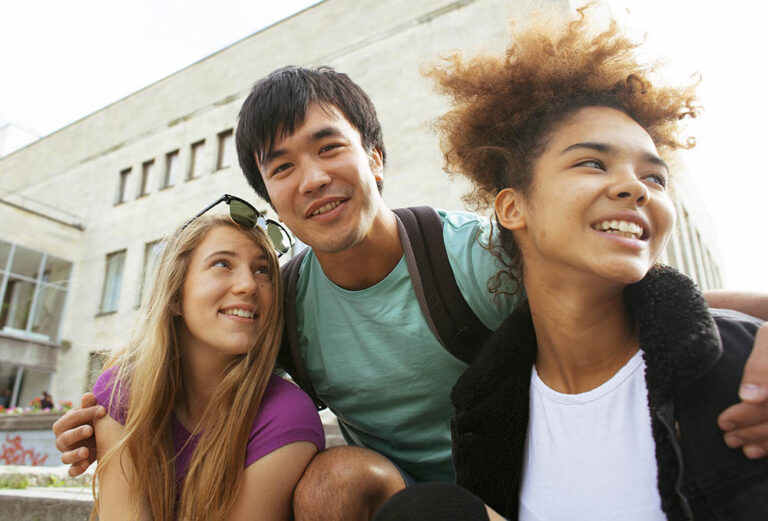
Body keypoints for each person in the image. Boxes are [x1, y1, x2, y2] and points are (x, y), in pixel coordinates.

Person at [57, 54, 768, 521]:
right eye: (282, 166)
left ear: (374, 158)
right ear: (272, 195)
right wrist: (108, 414)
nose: (312, 177)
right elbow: (209, 373)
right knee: (333, 481)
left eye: (329, 147)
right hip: (416, 508)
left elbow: (633, 299)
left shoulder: (471, 254)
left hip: (539, 483)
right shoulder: (285, 303)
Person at [373, 8, 768, 520]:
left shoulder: (742, 371)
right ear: (513, 208)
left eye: (655, 177)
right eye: (592, 162)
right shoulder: (487, 416)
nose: (634, 188)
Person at [89, 207, 324, 521]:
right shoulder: (121, 391)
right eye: (223, 264)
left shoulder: (287, 413)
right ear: (174, 296)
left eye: (262, 270)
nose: (249, 286)